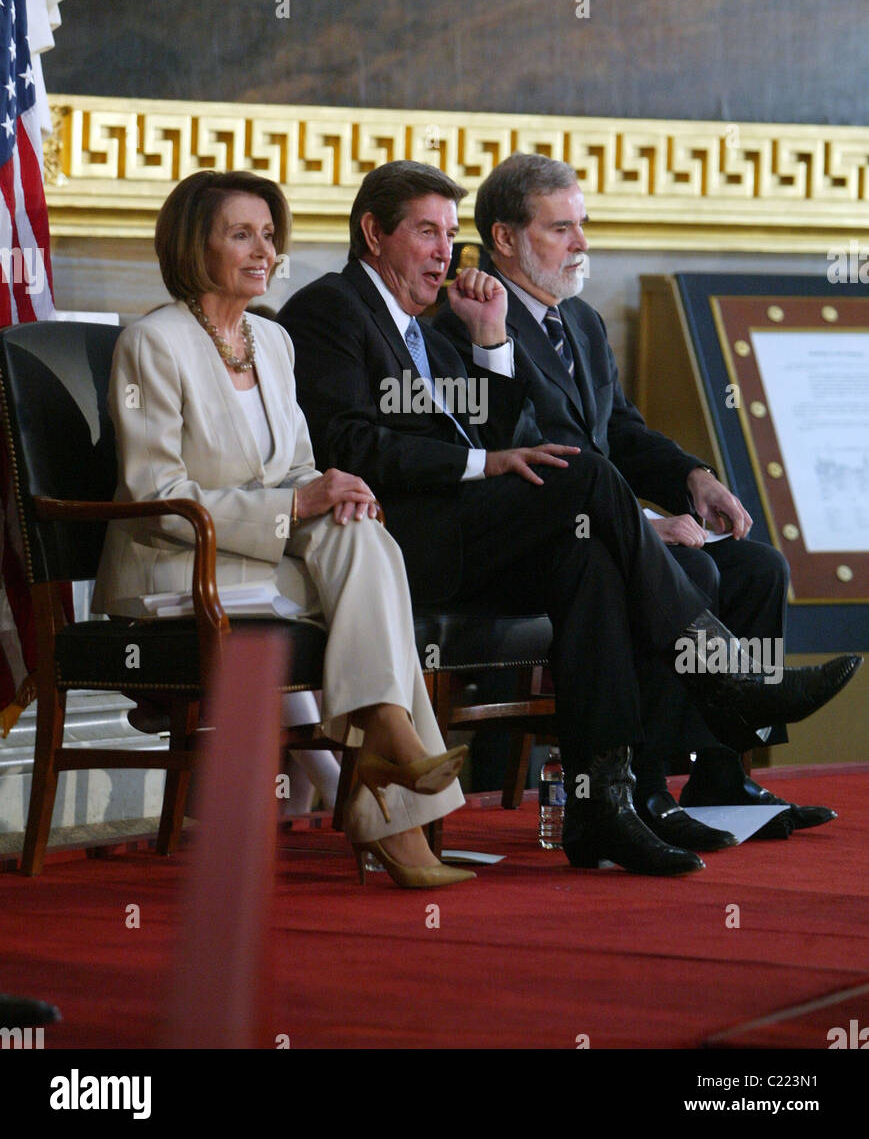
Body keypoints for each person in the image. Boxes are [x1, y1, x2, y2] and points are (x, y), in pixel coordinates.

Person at [277, 160, 861, 877]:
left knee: (596, 562)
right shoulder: (332, 309)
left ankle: (601, 807)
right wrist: (486, 464)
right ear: (373, 232)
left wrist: (492, 341)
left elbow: (481, 430)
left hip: (488, 525)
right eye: (427, 232)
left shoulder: (433, 323)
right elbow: (357, 444)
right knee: (590, 479)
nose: (442, 251)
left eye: (447, 234)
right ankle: (724, 674)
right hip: (405, 543)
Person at [434, 152, 837, 845]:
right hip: (542, 536)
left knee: (757, 567)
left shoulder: (581, 321)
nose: (582, 243)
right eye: (561, 229)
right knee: (695, 569)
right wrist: (648, 524)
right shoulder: (467, 323)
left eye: (581, 225)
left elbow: (618, 430)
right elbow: (511, 449)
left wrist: (692, 479)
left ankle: (720, 773)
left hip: (611, 517)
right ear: (504, 239)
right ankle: (645, 790)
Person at [91, 169, 473, 891]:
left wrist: (332, 491)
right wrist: (295, 508)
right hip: (178, 565)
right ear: (191, 244)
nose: (262, 250)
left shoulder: (272, 341)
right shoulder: (154, 342)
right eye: (240, 234)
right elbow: (154, 493)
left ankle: (387, 744)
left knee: (362, 531)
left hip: (263, 563)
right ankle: (391, 779)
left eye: (268, 234)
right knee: (367, 559)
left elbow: (295, 465)